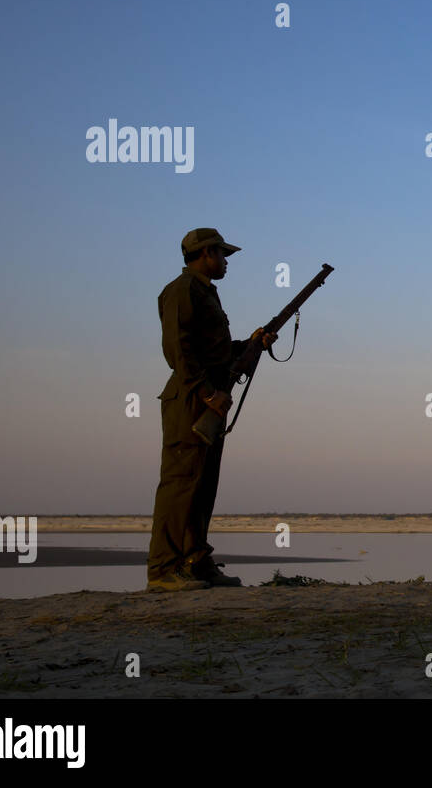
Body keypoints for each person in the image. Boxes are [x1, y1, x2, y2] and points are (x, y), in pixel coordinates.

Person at [146, 228, 276, 592]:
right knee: (180, 483)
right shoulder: (182, 290)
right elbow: (178, 349)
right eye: (222, 254)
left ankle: (195, 561)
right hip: (191, 400)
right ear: (205, 253)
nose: (226, 261)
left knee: (202, 485)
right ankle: (163, 568)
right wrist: (206, 393)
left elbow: (213, 353)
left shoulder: (204, 292)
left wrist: (249, 346)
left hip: (209, 397)